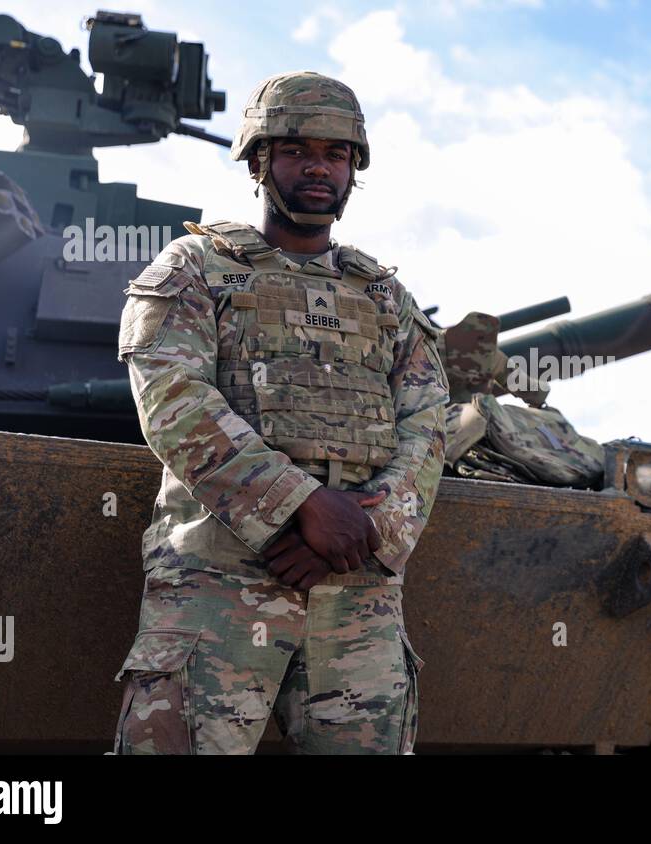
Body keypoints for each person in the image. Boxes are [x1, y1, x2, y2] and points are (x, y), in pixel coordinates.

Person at [111, 71, 448, 754]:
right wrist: (302, 507)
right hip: (217, 585)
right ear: (260, 159)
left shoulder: (386, 300)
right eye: (298, 151)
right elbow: (174, 399)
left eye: (337, 154)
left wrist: (362, 528)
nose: (320, 168)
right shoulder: (196, 267)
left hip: (356, 597)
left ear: (354, 170)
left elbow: (428, 424)